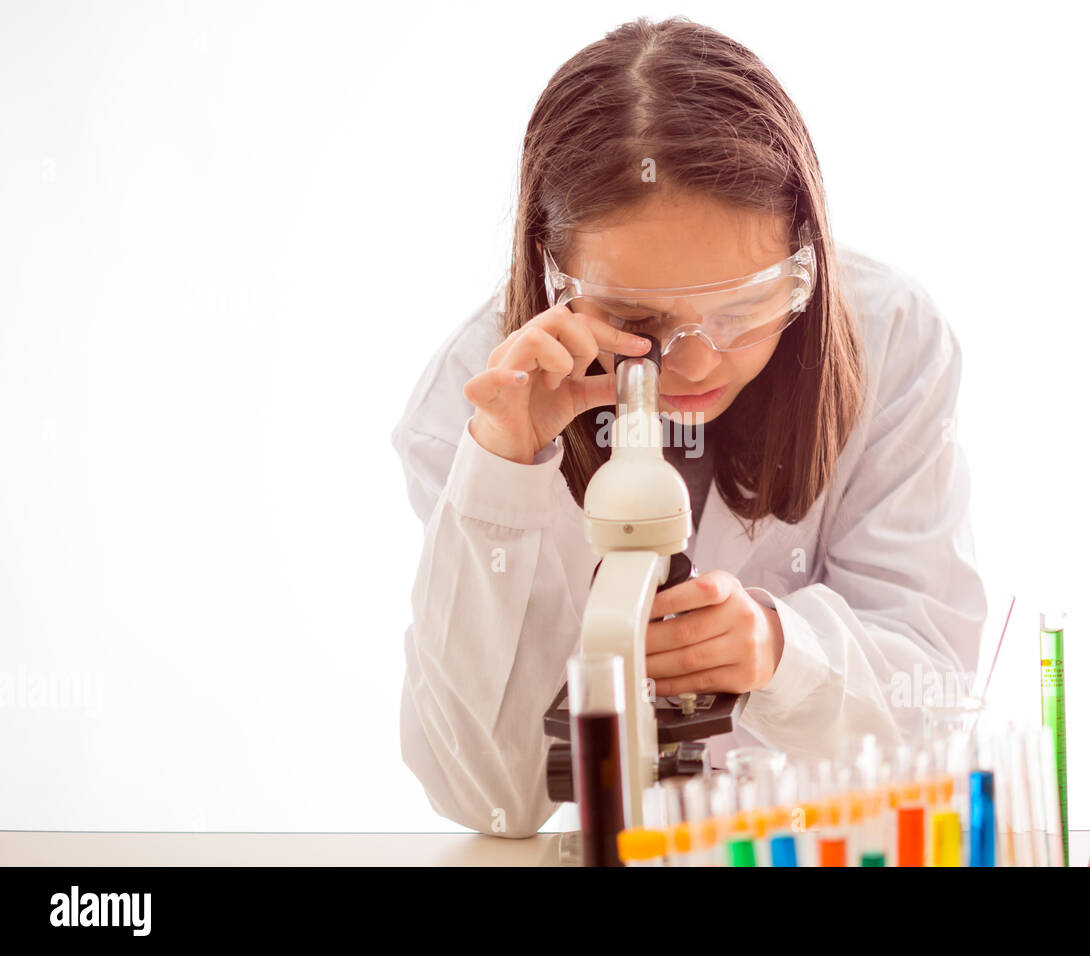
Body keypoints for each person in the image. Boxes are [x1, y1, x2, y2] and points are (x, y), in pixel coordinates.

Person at [390, 16, 988, 837]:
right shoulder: (474, 404)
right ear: (549, 274)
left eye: (745, 309)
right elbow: (490, 794)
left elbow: (936, 703)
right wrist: (503, 471)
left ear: (805, 255)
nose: (701, 364)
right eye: (638, 318)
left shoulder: (892, 341)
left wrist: (781, 652)